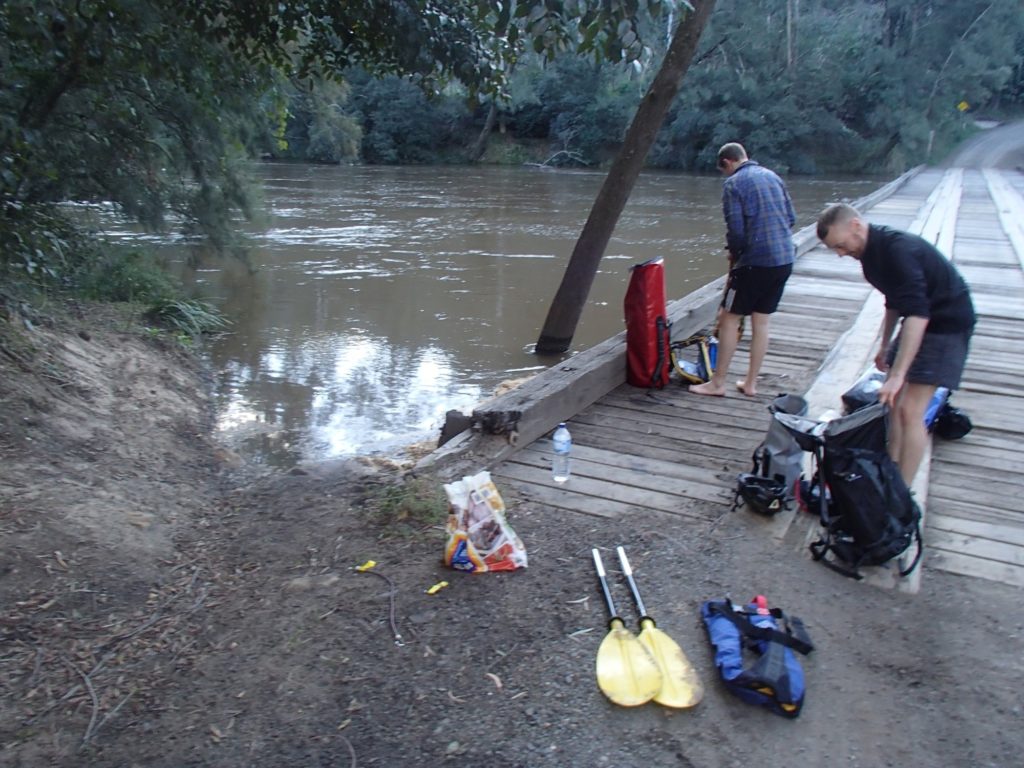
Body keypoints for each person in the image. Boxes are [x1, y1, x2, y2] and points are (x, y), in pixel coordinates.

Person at [816, 203, 976, 486]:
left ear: (855, 225)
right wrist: (885, 346)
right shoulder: (869, 256)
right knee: (892, 403)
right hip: (921, 319)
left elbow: (918, 313)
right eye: (835, 250)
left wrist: (899, 374)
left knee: (910, 411)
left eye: (840, 245)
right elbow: (893, 301)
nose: (841, 254)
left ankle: (900, 493)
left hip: (947, 324)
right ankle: (890, 466)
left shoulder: (897, 250)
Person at [689, 143, 796, 398]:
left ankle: (718, 383)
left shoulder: (734, 184)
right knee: (762, 320)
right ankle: (750, 383)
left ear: (727, 162)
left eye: (723, 170)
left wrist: (734, 254)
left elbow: (736, 230)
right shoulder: (773, 176)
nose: (725, 175)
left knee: (729, 318)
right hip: (784, 259)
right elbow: (791, 218)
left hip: (754, 263)